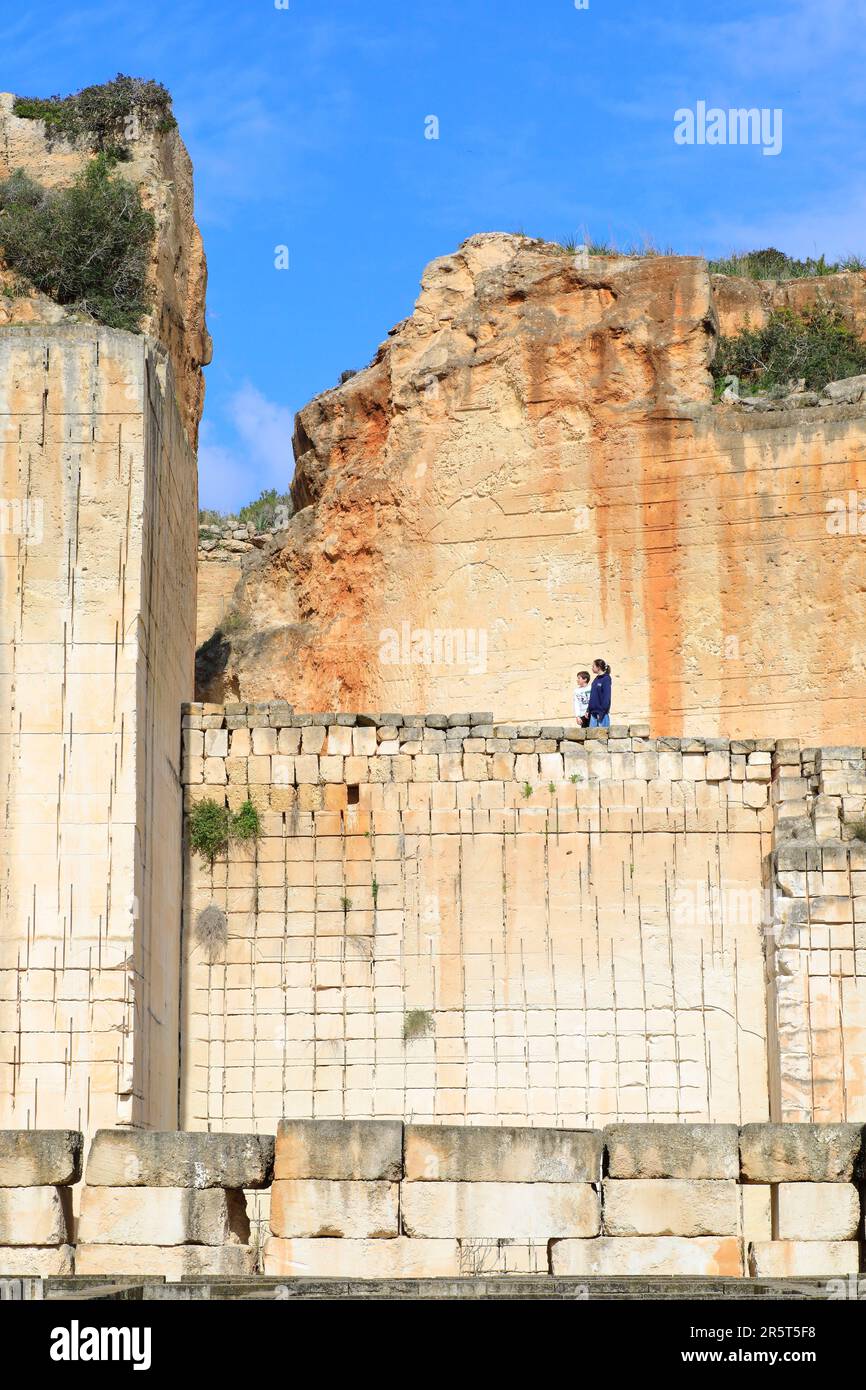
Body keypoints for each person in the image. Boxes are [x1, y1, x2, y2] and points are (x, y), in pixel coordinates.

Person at [588, 658, 612, 728]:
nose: (592, 668)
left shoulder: (606, 679)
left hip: (601, 714)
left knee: (602, 738)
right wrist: (588, 710)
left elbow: (607, 697)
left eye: (593, 666)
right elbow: (593, 696)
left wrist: (601, 712)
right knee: (592, 738)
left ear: (598, 667)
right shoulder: (596, 679)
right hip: (593, 714)